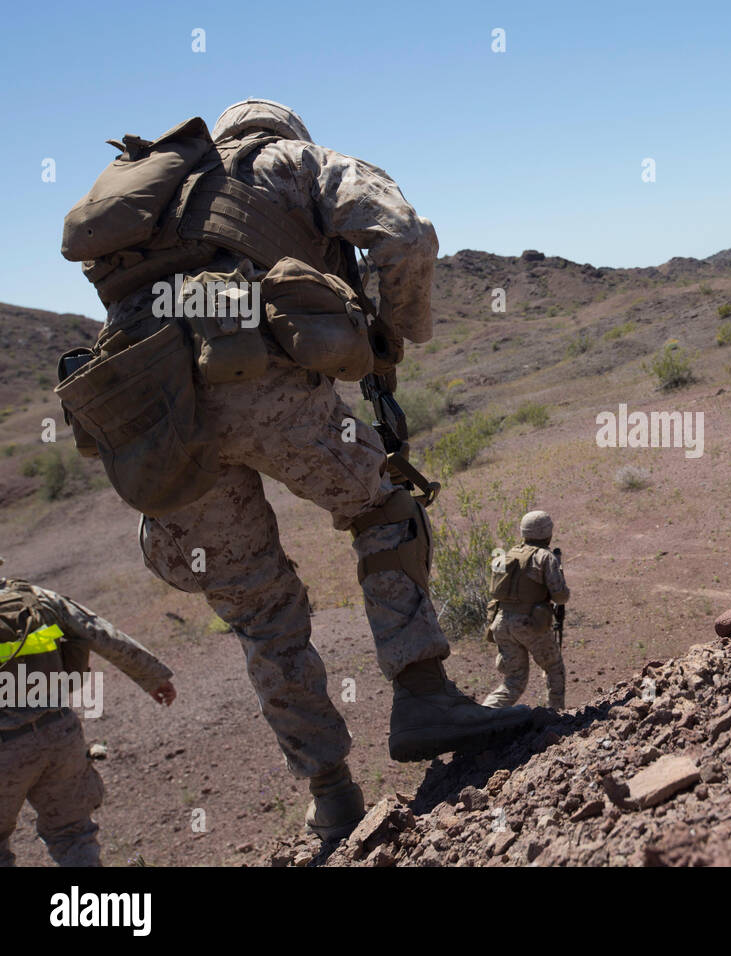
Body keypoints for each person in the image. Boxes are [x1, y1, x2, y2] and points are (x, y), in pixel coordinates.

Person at [60, 99, 533, 842]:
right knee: (383, 505)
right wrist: (399, 330)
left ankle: (331, 790)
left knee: (257, 607)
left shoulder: (153, 204)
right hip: (265, 382)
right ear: (285, 130)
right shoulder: (289, 162)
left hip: (158, 413)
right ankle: (424, 696)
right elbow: (405, 233)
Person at [0, 557, 175, 866]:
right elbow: (97, 631)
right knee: (72, 833)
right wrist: (152, 677)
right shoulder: (35, 598)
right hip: (60, 733)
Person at [483, 512, 570, 710]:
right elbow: (560, 596)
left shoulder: (509, 554)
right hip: (529, 624)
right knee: (554, 669)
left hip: (501, 624)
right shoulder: (545, 557)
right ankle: (557, 717)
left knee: (513, 681)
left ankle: (484, 715)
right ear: (548, 533)